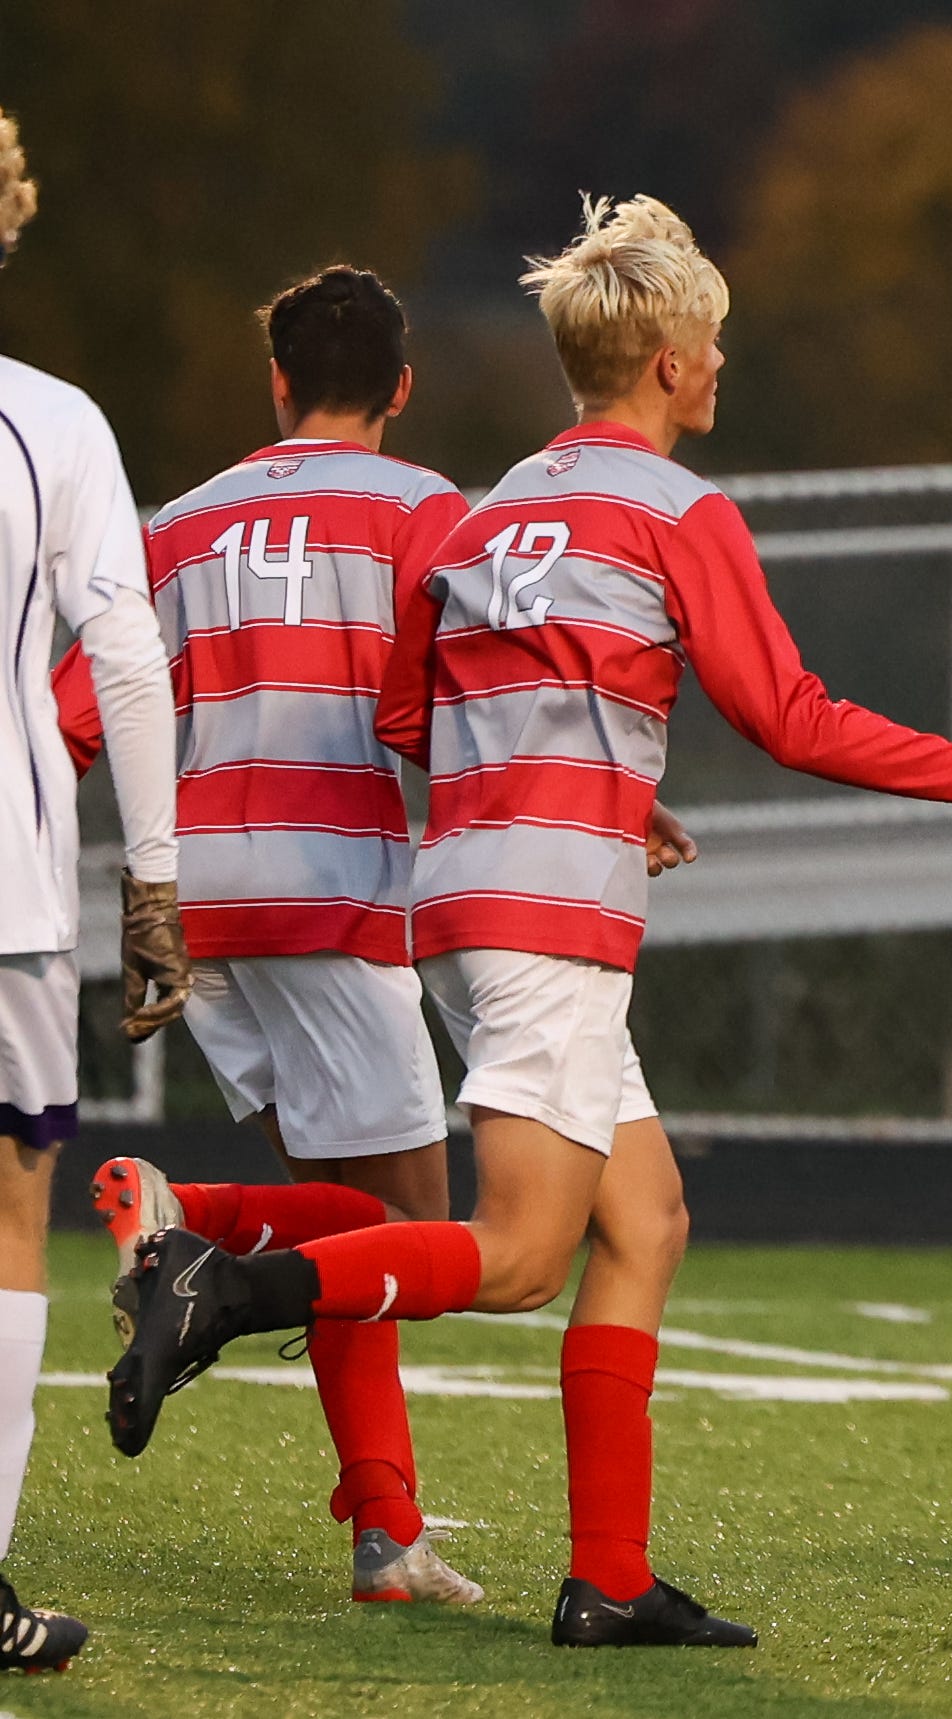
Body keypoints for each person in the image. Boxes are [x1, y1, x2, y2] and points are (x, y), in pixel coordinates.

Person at [102, 193, 952, 1649]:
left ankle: (611, 1576)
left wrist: (583, 779)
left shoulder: (494, 506)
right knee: (517, 1256)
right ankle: (228, 1282)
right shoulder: (677, 510)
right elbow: (790, 715)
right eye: (711, 344)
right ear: (665, 360)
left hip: (458, 893)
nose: (721, 366)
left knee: (644, 1219)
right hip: (544, 916)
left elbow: (412, 708)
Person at [54, 266, 483, 1603]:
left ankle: (383, 1533)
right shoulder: (428, 511)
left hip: (199, 899)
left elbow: (83, 707)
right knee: (420, 1231)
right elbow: (472, 694)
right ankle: (189, 1222)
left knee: (344, 1247)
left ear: (278, 383)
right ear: (401, 390)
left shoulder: (174, 525)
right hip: (335, 886)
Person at [0, 107, 191, 1673]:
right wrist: (157, 879)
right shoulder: (52, 422)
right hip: (2, 882)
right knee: (6, 1211)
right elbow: (124, 652)